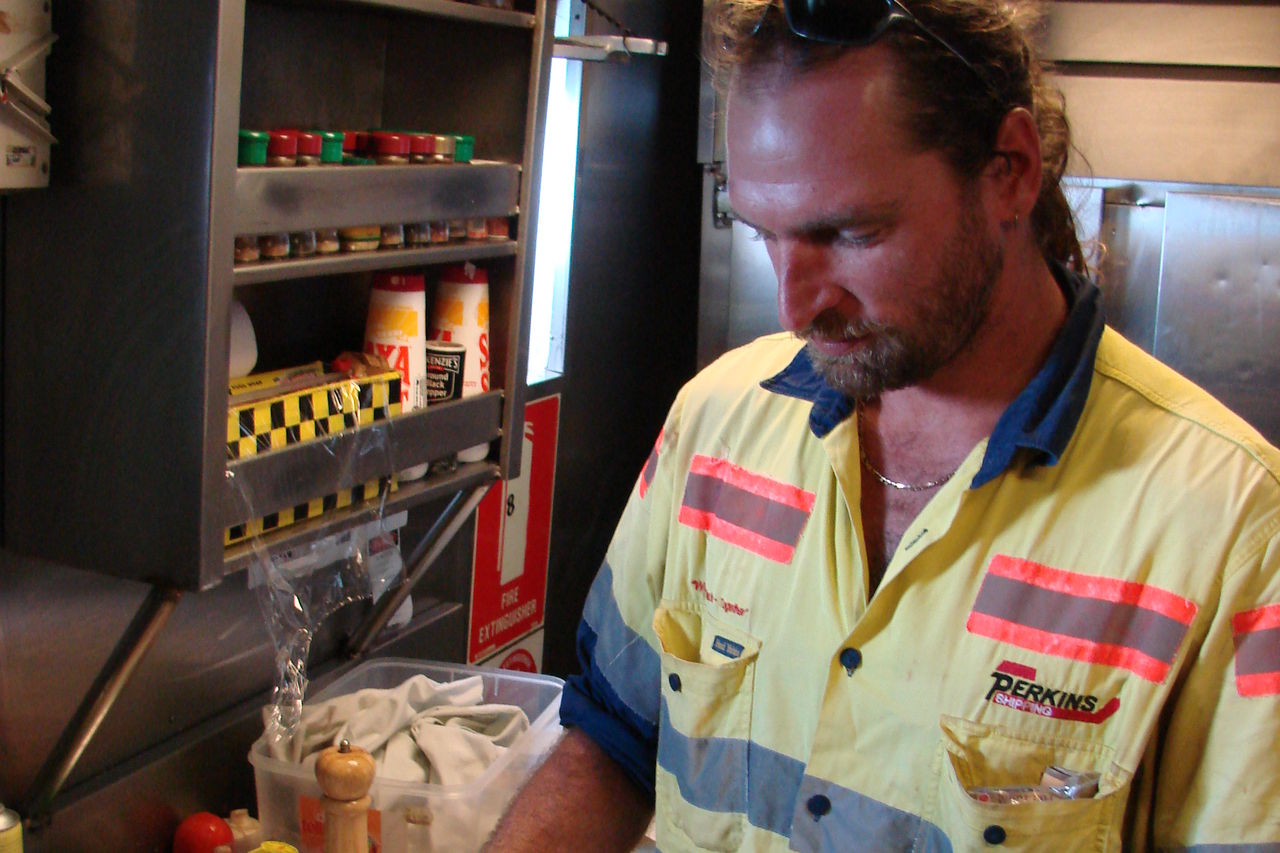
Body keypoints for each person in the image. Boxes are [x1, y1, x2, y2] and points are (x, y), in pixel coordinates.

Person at [486, 0, 1280, 849]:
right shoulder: (716, 421)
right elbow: (613, 742)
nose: (797, 304)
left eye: (851, 232)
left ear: (1009, 170)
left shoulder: (1233, 529)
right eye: (766, 233)